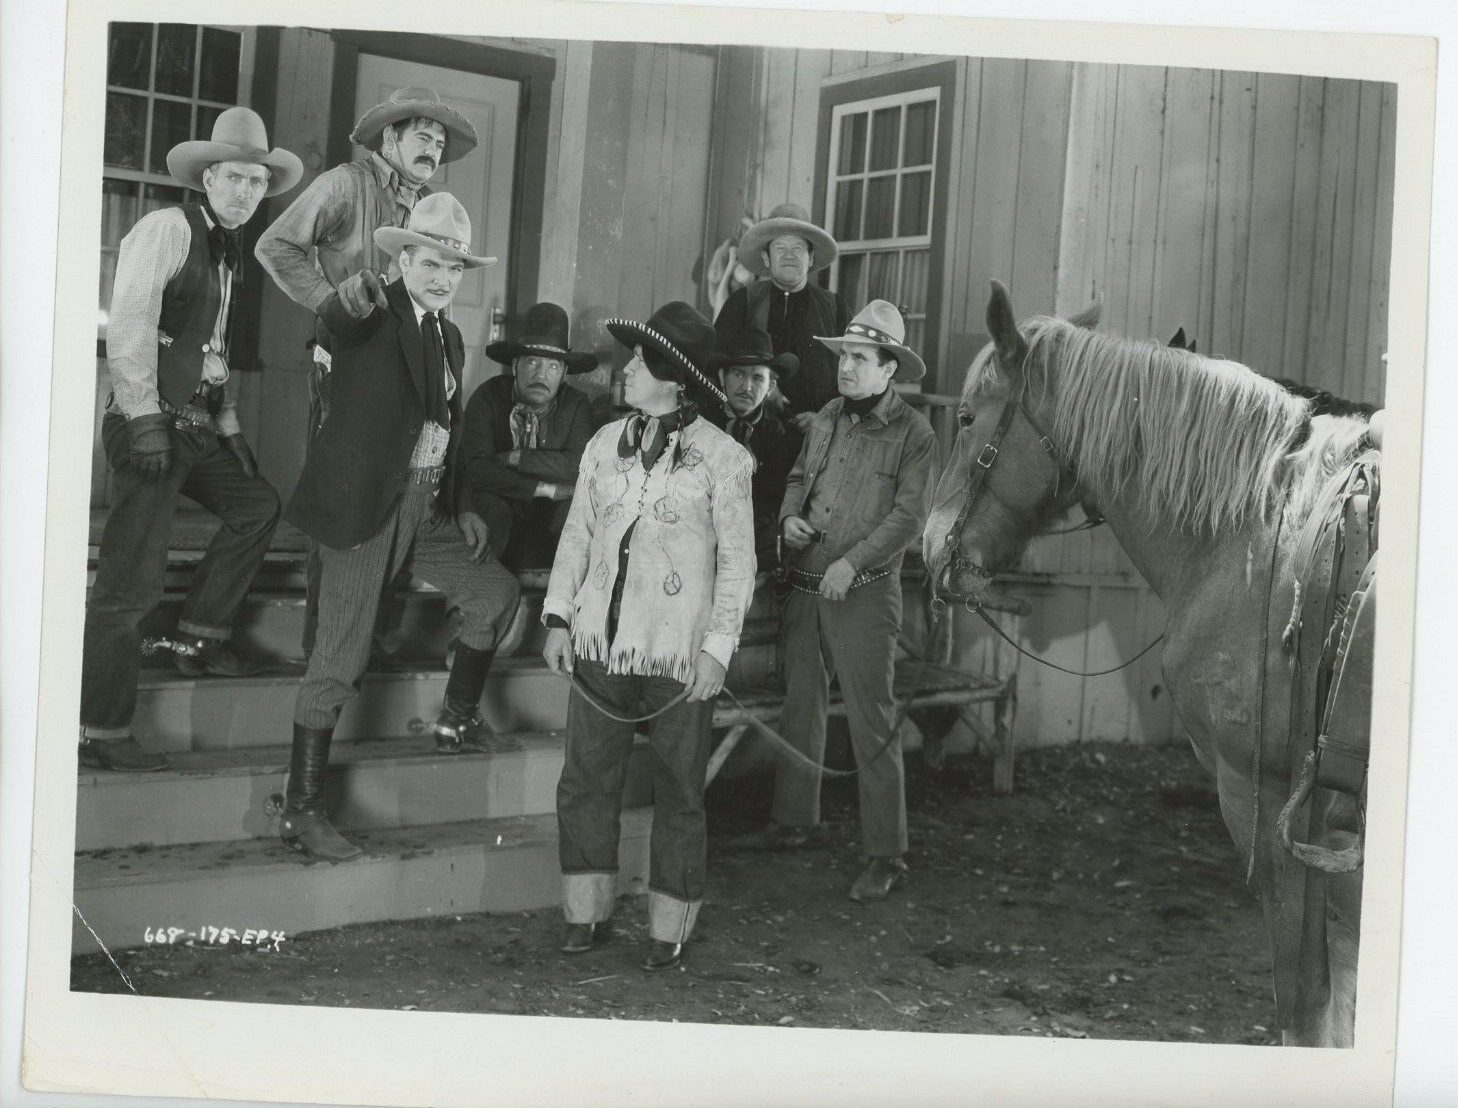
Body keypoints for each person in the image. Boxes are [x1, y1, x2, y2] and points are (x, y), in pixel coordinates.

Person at [280, 194, 520, 861]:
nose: (444, 277)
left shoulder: (447, 333)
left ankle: (457, 718)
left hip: (426, 504)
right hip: (363, 510)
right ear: (403, 258)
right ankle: (300, 809)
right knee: (340, 659)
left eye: (456, 267)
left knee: (495, 596)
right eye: (432, 261)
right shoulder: (370, 311)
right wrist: (349, 298)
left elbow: (445, 427)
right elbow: (334, 323)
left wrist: (460, 503)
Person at [80, 108, 303, 773]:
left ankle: (195, 636)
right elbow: (130, 327)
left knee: (256, 506)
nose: (244, 193)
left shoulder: (228, 251)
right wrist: (145, 419)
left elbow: (213, 353)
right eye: (233, 178)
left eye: (257, 183)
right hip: (147, 425)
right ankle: (100, 730)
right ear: (208, 177)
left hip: (195, 426)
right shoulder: (167, 229)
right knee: (130, 582)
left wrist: (229, 429)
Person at [543, 302, 756, 971]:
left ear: (673, 377)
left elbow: (737, 563)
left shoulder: (725, 461)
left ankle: (670, 925)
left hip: (677, 656)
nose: (625, 370)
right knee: (585, 780)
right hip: (600, 648)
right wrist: (556, 617)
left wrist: (717, 650)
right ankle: (585, 912)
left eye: (639, 361)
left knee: (679, 789)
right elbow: (578, 531)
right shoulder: (605, 445)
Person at [256, 87, 479, 664]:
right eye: (421, 136)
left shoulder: (429, 206)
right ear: (389, 139)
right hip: (350, 368)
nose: (432, 147)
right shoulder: (344, 185)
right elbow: (275, 246)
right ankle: (323, 644)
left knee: (401, 497)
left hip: (411, 372)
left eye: (439, 140)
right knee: (343, 501)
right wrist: (336, 307)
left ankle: (371, 637)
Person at [747, 300, 939, 903]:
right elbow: (801, 476)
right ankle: (793, 821)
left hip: (862, 593)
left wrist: (851, 563)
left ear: (889, 370)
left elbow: (910, 517)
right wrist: (787, 521)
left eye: (860, 358)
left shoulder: (915, 433)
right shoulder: (828, 414)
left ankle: (888, 853)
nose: (846, 368)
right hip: (805, 582)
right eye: (844, 357)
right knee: (801, 703)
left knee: (872, 720)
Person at [459, 302, 598, 569]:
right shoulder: (487, 397)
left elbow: (579, 465)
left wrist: (515, 458)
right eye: (532, 362)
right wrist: (545, 488)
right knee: (488, 506)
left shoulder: (576, 404)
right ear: (515, 365)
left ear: (565, 372)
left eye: (553, 366)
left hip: (547, 520)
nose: (540, 375)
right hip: (497, 511)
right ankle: (481, 594)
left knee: (574, 509)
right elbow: (475, 468)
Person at [712, 202, 851, 432]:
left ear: (811, 257)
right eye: (780, 249)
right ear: (766, 258)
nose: (789, 256)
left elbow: (854, 372)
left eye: (797, 248)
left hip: (819, 439)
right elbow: (714, 363)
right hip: (751, 437)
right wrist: (761, 387)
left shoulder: (835, 307)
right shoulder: (743, 301)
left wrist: (825, 418)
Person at [706, 326, 802, 572]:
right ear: (722, 377)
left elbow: (775, 505)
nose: (746, 387)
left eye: (758, 378)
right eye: (738, 374)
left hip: (753, 552)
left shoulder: (782, 438)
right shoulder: (702, 425)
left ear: (770, 387)